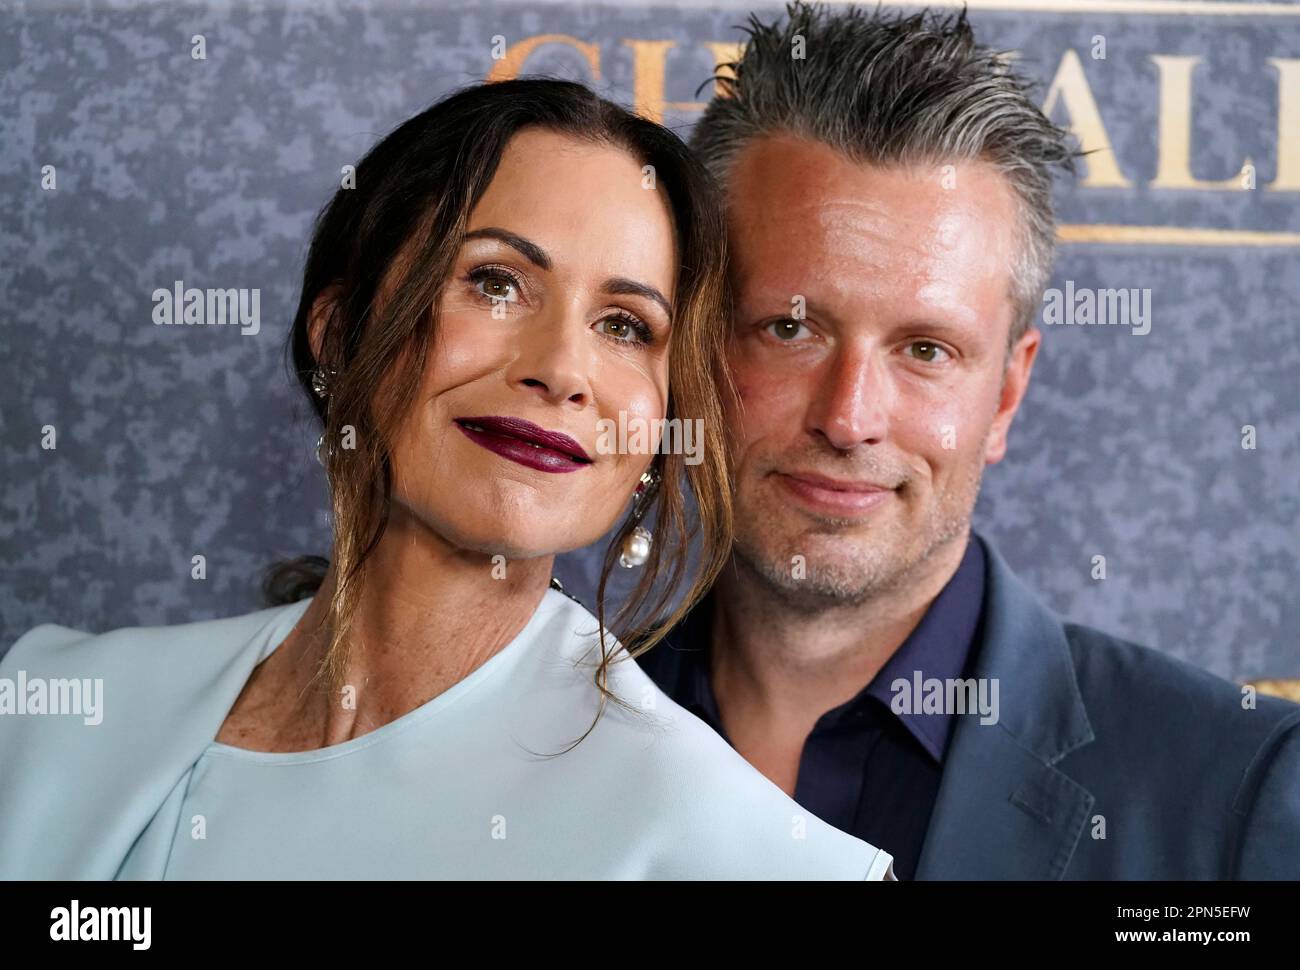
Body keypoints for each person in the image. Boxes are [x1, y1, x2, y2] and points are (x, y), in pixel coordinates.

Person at [0, 78, 894, 881]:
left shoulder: (734, 853)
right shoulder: (51, 709)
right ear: (341, 329)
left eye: (626, 325)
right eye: (497, 282)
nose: (562, 369)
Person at [636, 4, 1300, 879]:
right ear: (695, 337)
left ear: (1007, 394)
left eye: (926, 350)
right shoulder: (548, 734)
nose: (849, 417)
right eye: (789, 331)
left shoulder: (1237, 795)